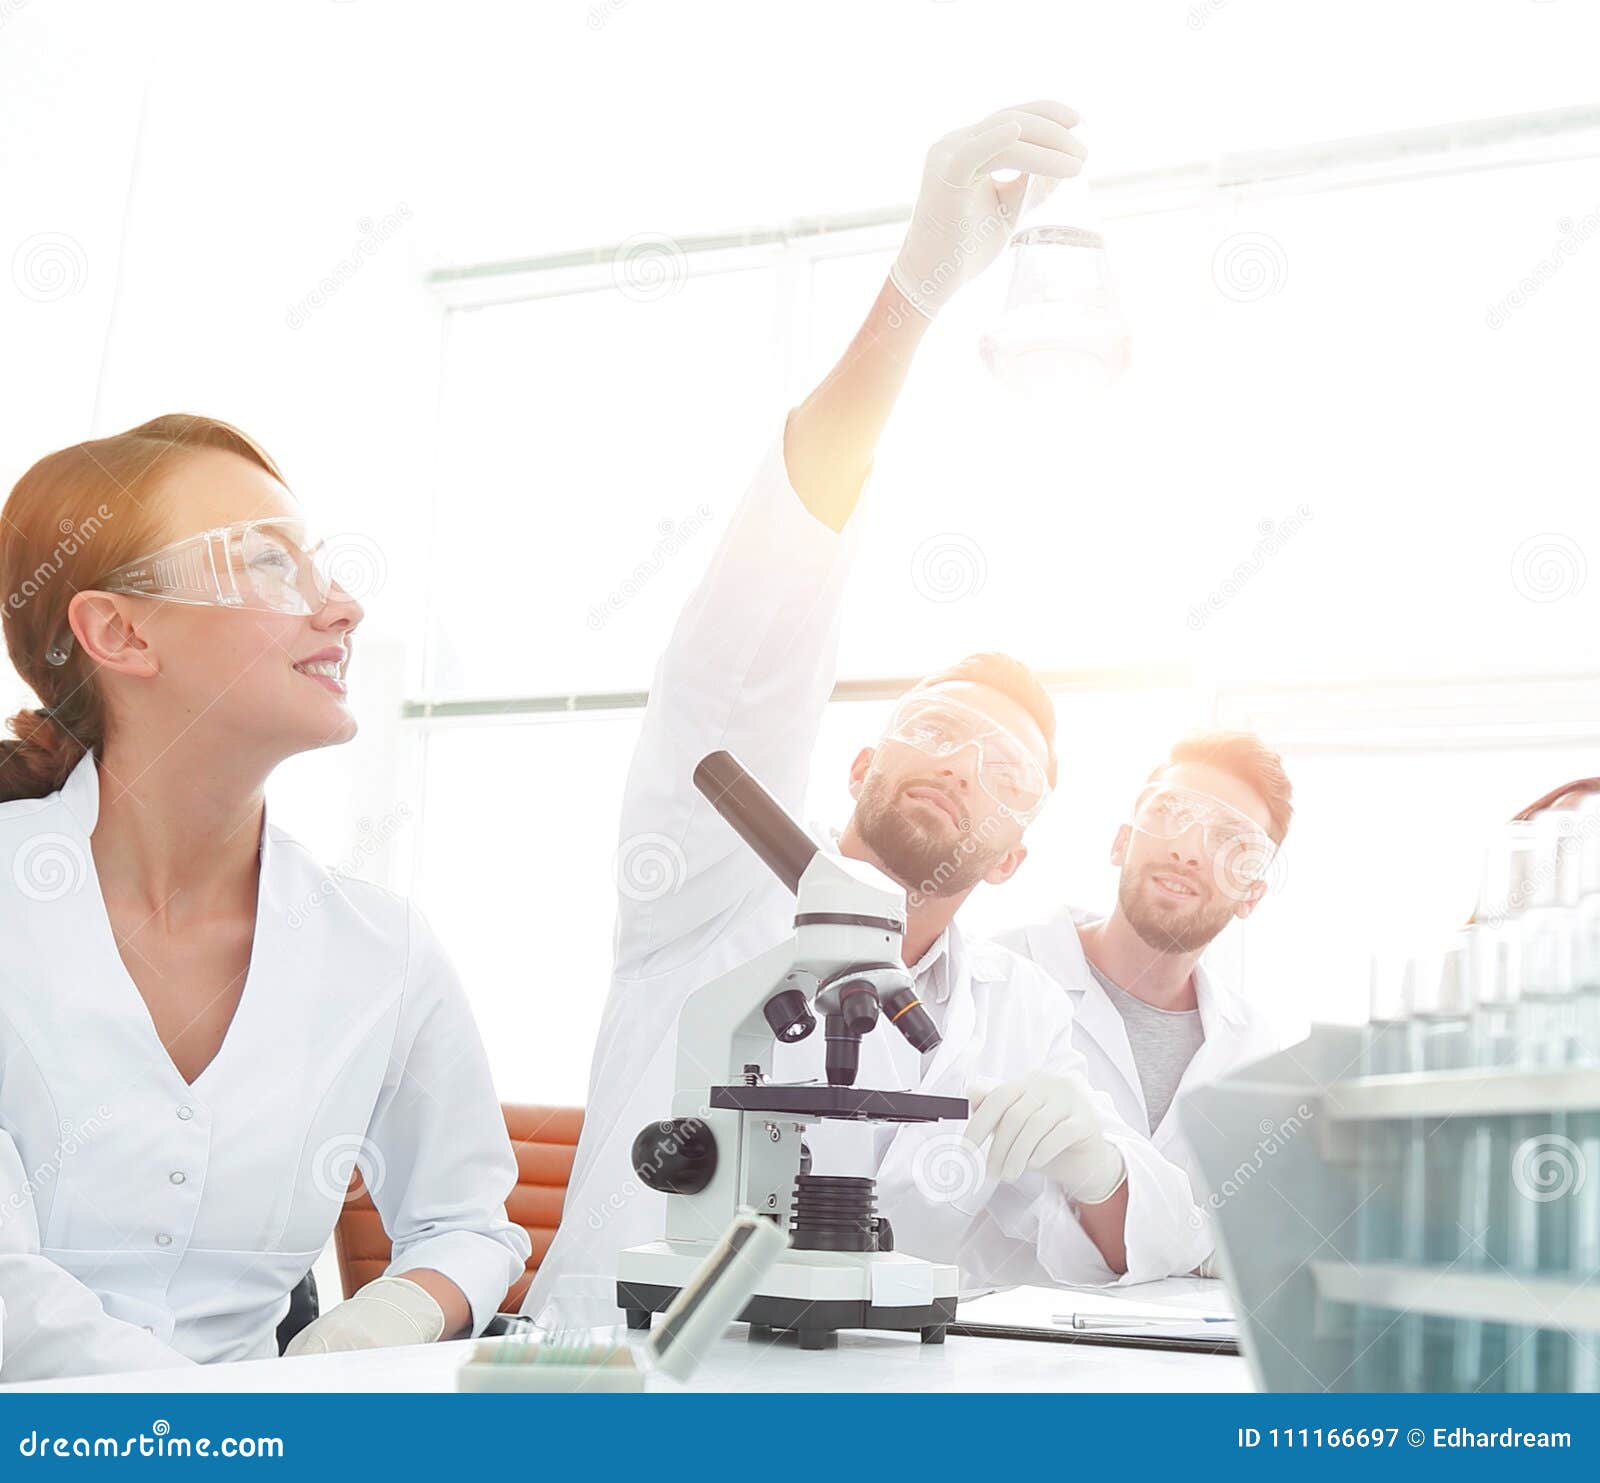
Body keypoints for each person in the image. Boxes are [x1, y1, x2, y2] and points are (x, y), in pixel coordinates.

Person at [527, 102, 1216, 1324]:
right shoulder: (708, 883)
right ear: (857, 763)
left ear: (1015, 853)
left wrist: (1096, 1162)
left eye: (1004, 768)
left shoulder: (1009, 1014)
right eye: (934, 727)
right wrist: (915, 293)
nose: (959, 759)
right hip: (615, 1379)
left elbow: (1145, 1238)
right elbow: (750, 630)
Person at [0, 416, 529, 1382]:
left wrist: (387, 1319)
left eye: (316, 565)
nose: (343, 607)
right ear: (120, 629)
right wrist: (239, 1420)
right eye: (269, 563)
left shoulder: (381, 946)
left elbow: (469, 1220)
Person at [994, 732, 1293, 1199]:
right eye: (1172, 814)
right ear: (1121, 843)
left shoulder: (1254, 1050)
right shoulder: (995, 977)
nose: (1189, 851)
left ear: (1250, 895)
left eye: (1231, 842)